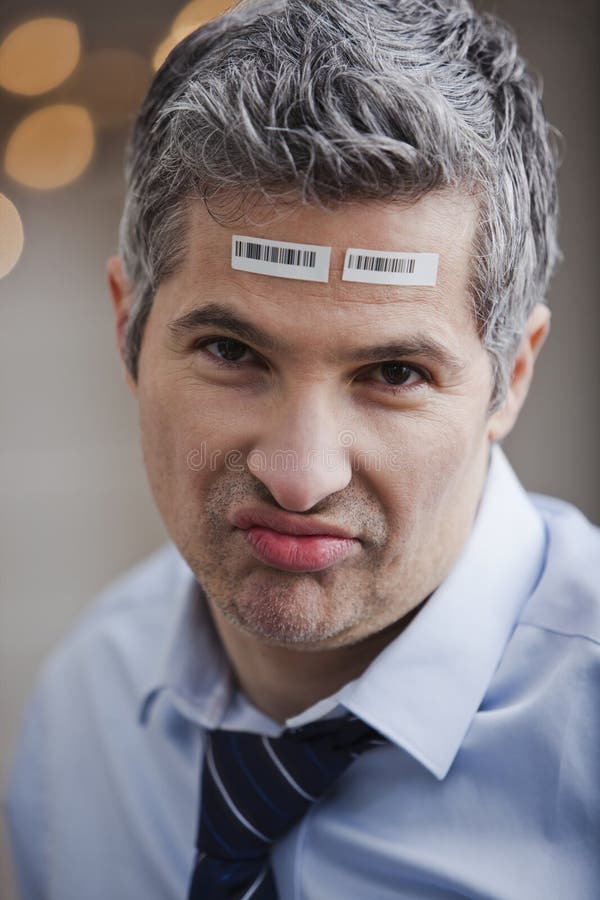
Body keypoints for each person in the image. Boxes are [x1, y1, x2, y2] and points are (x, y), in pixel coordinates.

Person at [5, 0, 600, 897]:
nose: (300, 473)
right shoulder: (87, 702)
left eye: (394, 372)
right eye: (232, 353)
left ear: (510, 377)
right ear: (128, 326)